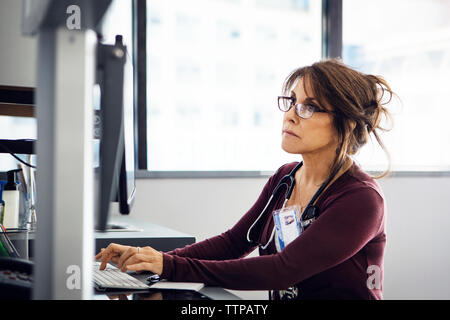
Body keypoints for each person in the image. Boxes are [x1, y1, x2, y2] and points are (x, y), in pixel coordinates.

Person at [95, 58, 395, 300]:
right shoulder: (285, 178)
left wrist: (170, 266)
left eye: (309, 107)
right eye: (291, 102)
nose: (290, 115)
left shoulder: (361, 199)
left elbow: (283, 270)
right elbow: (235, 242)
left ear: (347, 124)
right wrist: (150, 259)